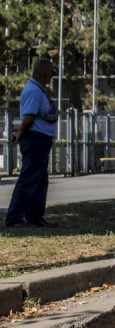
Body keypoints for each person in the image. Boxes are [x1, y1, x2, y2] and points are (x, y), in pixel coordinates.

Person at [5, 59, 60, 228]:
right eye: (51, 73)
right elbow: (28, 117)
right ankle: (15, 217)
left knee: (40, 180)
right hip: (35, 139)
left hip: (41, 140)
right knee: (29, 179)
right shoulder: (34, 91)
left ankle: (35, 216)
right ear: (43, 73)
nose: (52, 76)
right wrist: (20, 134)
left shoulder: (40, 90)